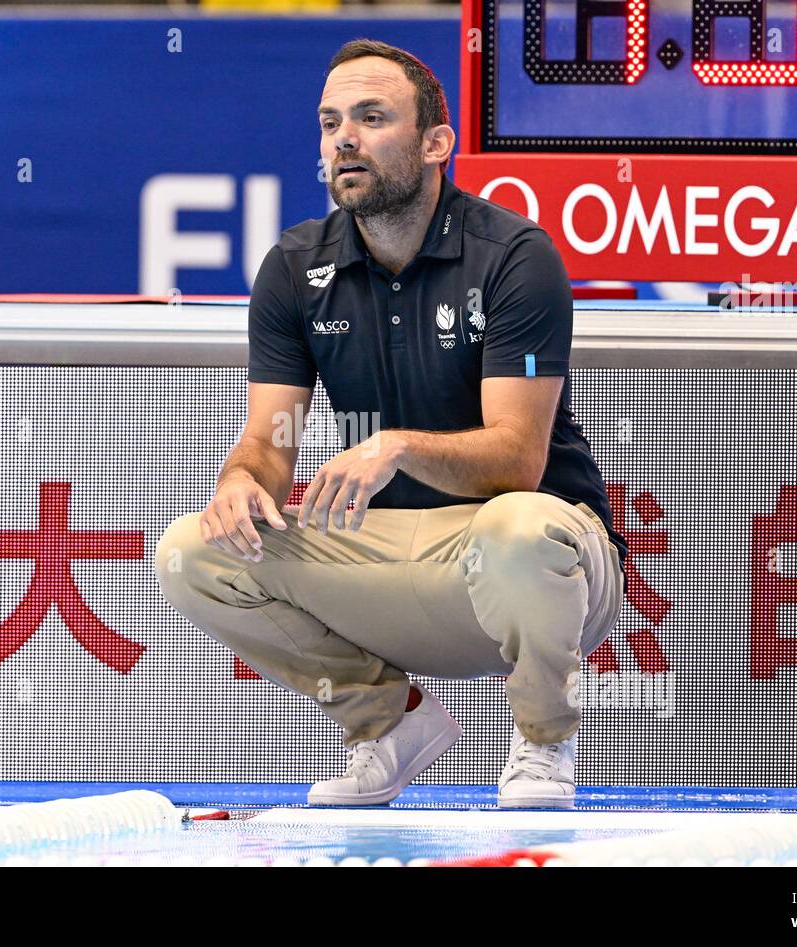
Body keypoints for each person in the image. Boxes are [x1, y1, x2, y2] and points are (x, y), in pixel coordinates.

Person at [156, 38, 628, 808]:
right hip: (386, 559)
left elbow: (517, 459)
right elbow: (272, 440)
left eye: (372, 117)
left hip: (538, 557)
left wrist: (398, 447)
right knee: (192, 553)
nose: (344, 138)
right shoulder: (294, 269)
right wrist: (242, 481)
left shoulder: (515, 256)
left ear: (436, 143)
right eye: (330, 121)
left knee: (518, 531)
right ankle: (389, 722)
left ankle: (543, 744)